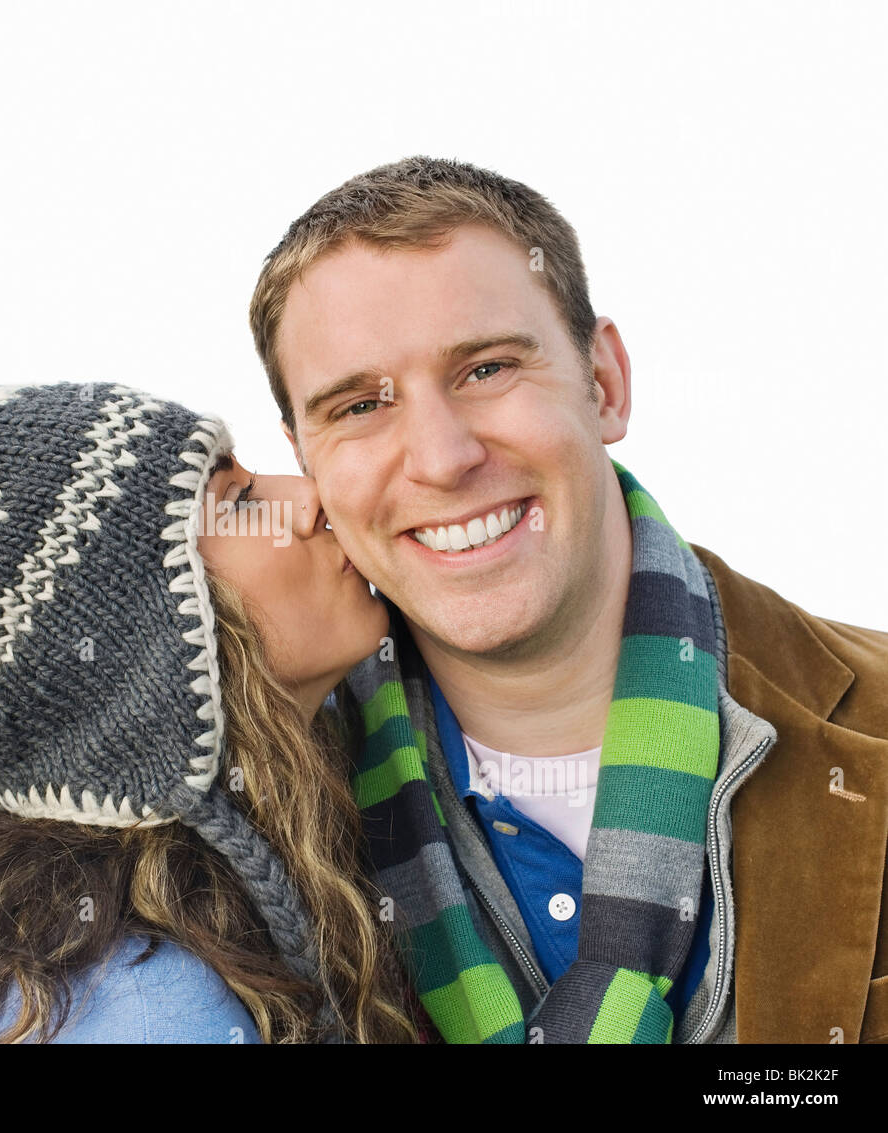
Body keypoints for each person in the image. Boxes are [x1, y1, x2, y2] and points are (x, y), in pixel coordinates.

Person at [247, 156, 888, 1044]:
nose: (441, 457)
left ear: (604, 383)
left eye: (486, 369)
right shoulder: (242, 843)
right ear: (307, 459)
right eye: (359, 406)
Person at [0, 380, 418, 1044]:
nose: (307, 498)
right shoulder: (138, 1003)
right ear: (138, 648)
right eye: (238, 504)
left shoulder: (343, 800)